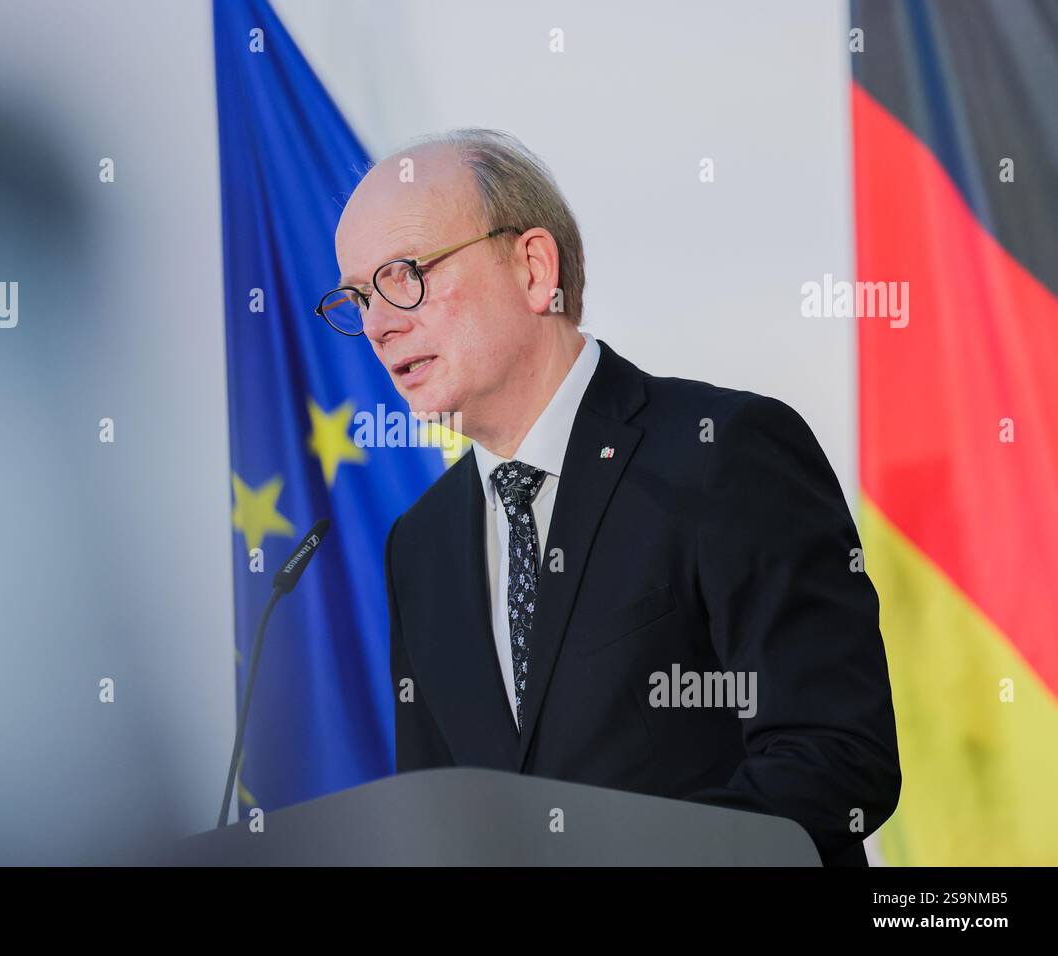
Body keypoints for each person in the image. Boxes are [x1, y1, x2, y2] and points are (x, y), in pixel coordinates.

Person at [319, 128, 900, 866]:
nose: (377, 324)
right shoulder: (420, 545)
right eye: (358, 296)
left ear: (534, 269)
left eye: (405, 274)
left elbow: (840, 757)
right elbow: (443, 822)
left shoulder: (724, 452)